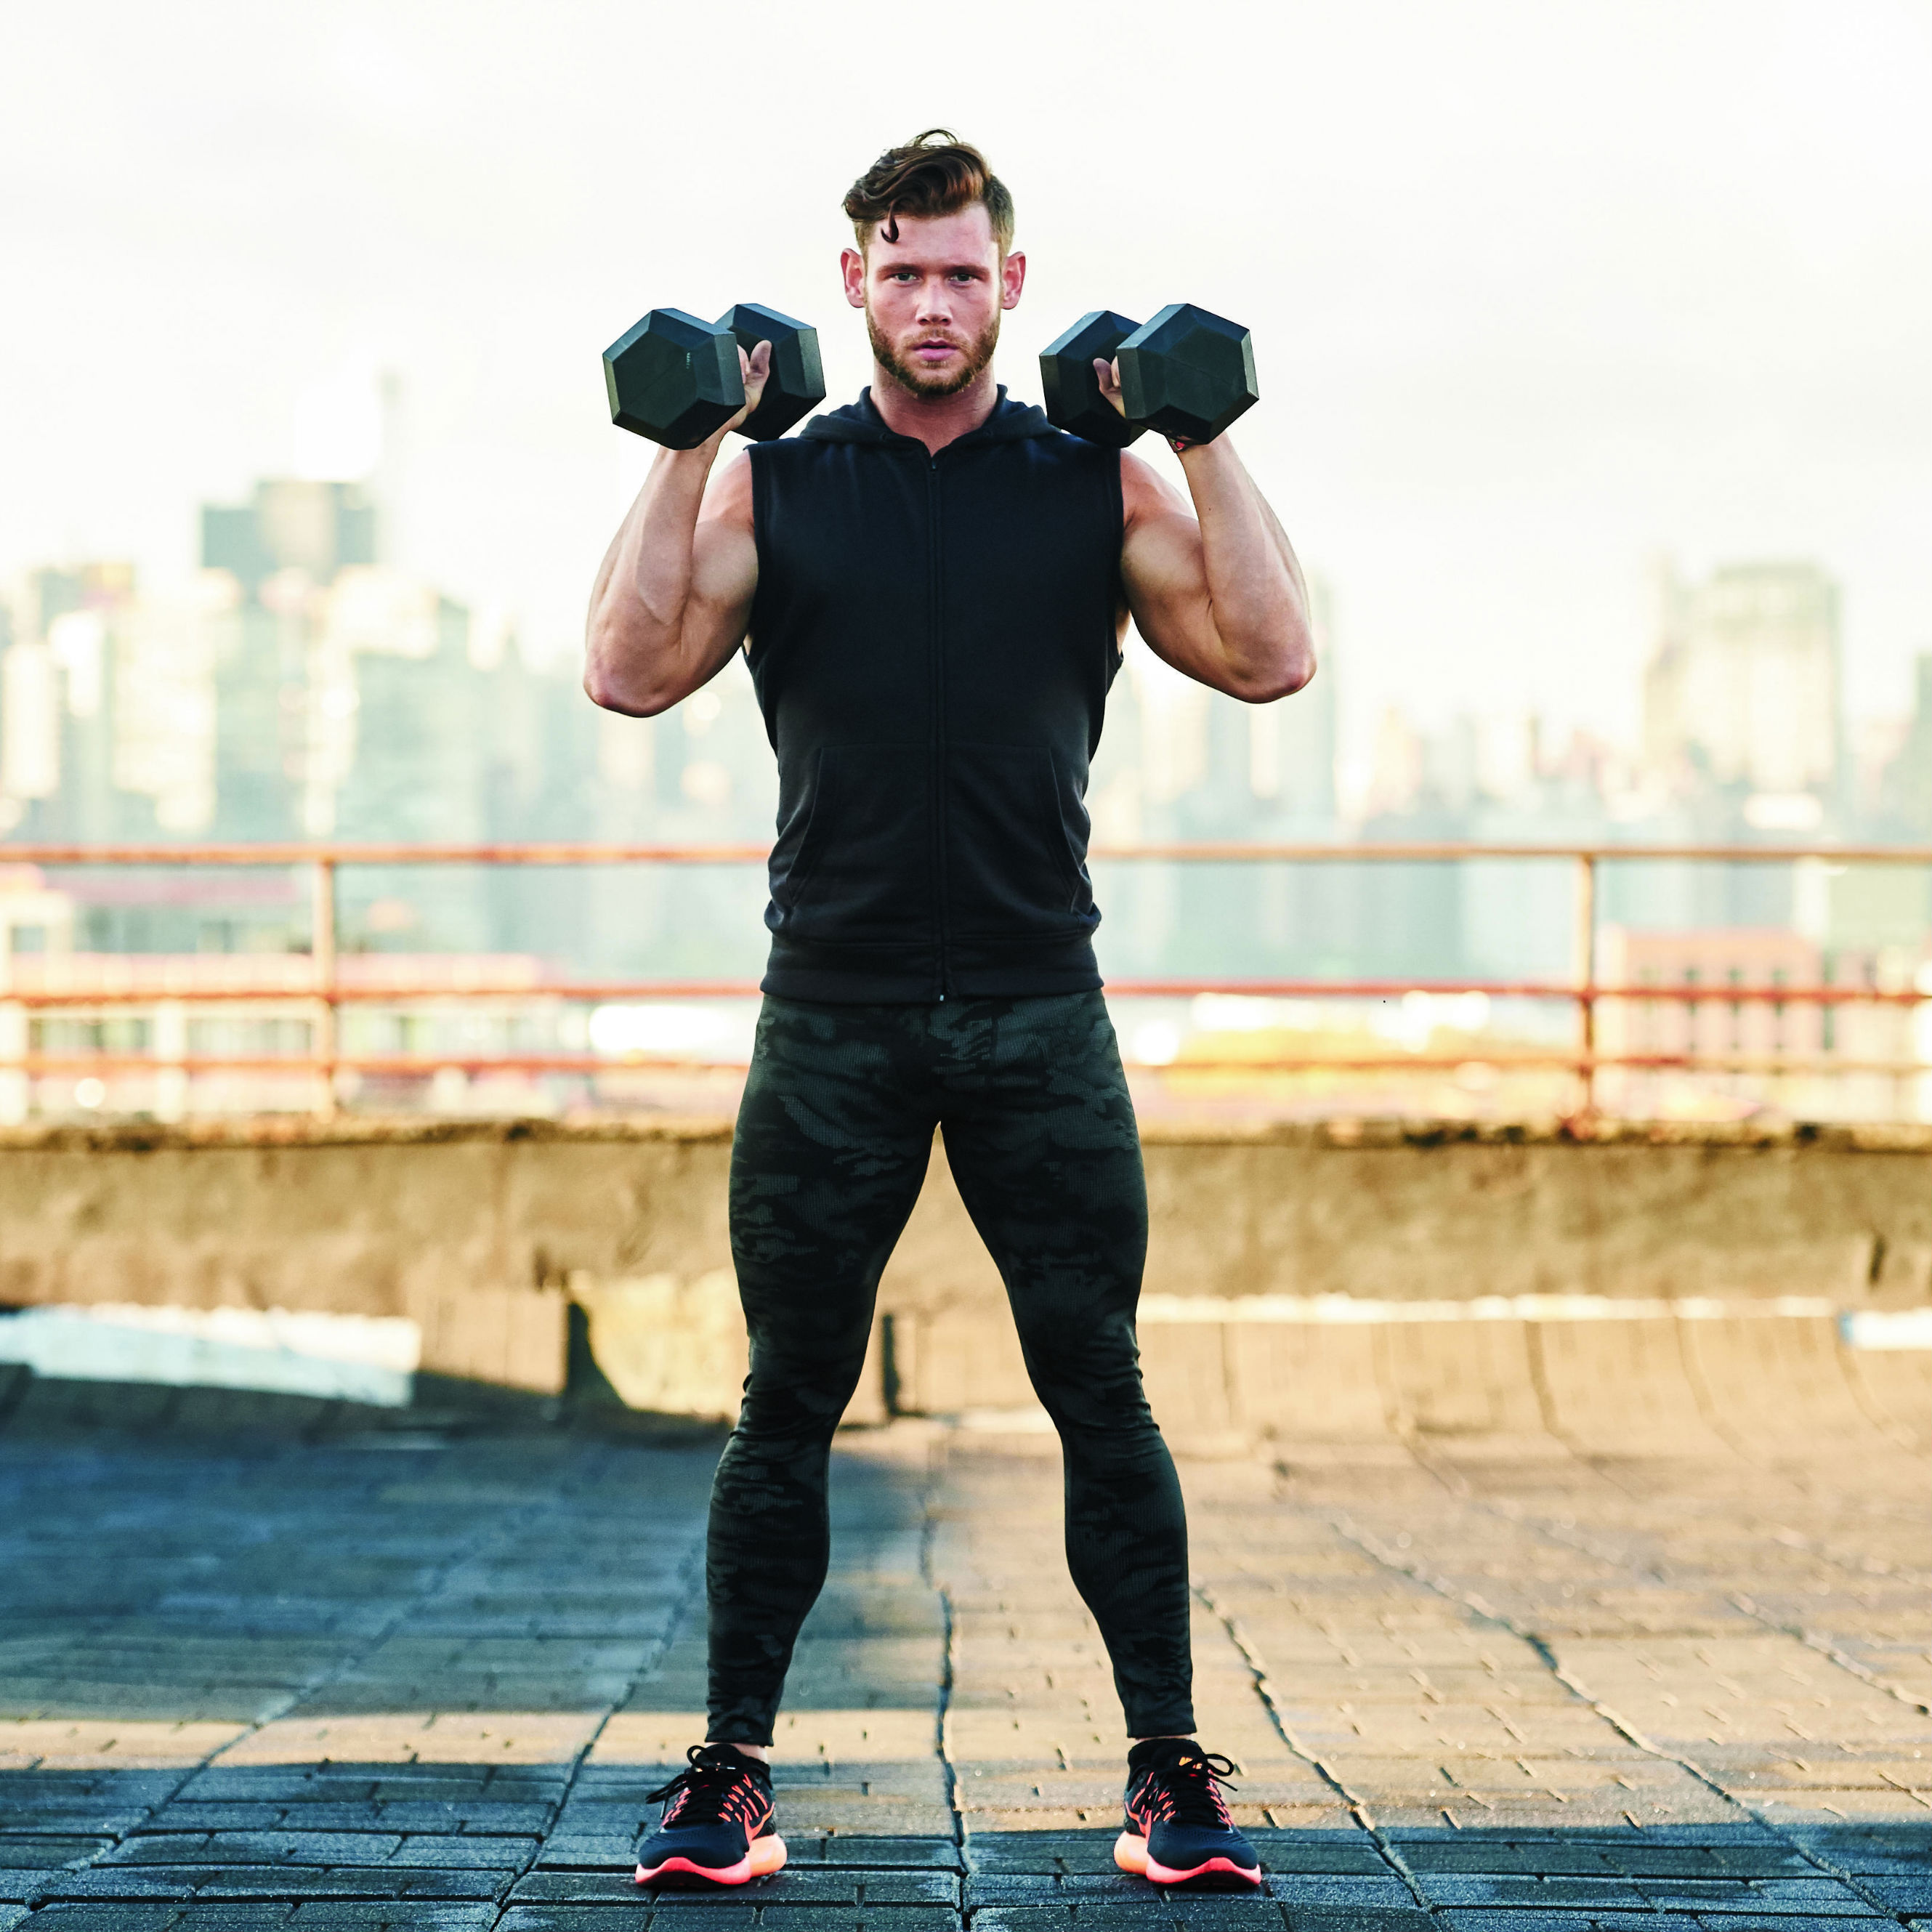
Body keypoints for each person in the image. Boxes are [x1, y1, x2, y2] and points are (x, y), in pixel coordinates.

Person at [585, 130, 1314, 1892]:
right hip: (829, 1017)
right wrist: (692, 439)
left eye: (961, 273)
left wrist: (1201, 426)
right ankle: (729, 1775)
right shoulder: (779, 484)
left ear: (1012, 288)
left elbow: (1268, 651)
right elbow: (628, 668)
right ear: (852, 285)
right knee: (787, 1400)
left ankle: (1167, 1773)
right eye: (901, 271)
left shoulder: (1096, 480)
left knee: (1099, 1390)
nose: (932, 301)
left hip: (1032, 1013)